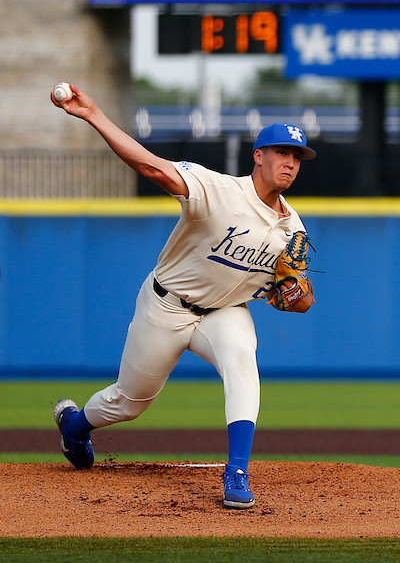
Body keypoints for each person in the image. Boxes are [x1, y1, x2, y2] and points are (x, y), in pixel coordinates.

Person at [50, 83, 315, 509]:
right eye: (281, 152)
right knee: (129, 402)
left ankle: (238, 472)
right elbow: (153, 168)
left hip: (224, 312)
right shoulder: (218, 190)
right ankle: (76, 426)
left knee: (242, 357)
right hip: (167, 304)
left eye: (296, 156)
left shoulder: (292, 228)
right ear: (258, 157)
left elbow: (301, 300)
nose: (289, 162)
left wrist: (294, 291)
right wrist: (94, 114)